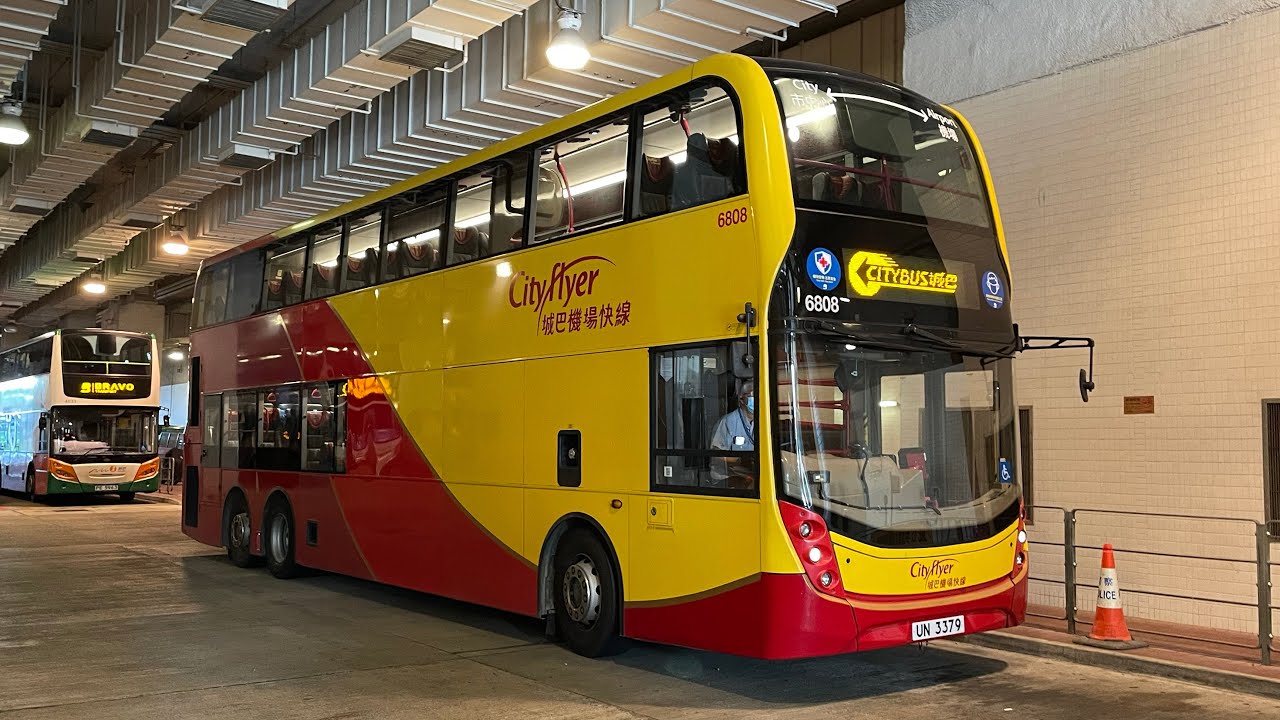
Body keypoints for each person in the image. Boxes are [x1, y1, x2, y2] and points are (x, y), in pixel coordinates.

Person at [709, 379, 756, 488]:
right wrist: (740, 460)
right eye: (752, 396)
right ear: (741, 399)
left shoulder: (762, 421)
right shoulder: (727, 422)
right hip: (728, 476)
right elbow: (716, 454)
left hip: (751, 474)